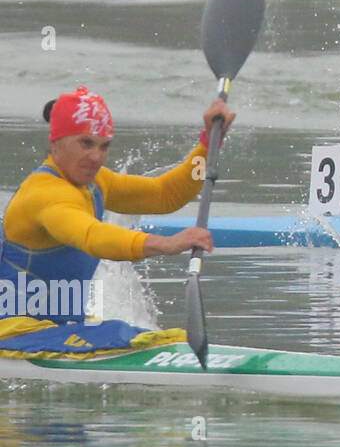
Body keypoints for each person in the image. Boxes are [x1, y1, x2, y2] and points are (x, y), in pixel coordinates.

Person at [1, 86, 230, 324]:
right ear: (56, 142)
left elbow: (166, 194)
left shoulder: (97, 182)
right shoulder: (45, 193)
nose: (96, 157)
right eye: (86, 143)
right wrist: (166, 244)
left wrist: (208, 146)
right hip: (11, 331)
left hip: (57, 330)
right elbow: (92, 236)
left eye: (104, 146)